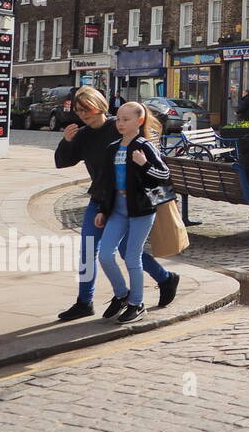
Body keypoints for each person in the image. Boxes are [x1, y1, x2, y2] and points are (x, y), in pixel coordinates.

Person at [53, 87, 180, 322]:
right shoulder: (82, 135)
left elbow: (148, 148)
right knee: (88, 250)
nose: (82, 114)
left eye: (87, 108)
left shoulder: (119, 125)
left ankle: (164, 279)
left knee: (127, 252)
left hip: (130, 202)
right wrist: (67, 141)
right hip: (101, 200)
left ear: (100, 105)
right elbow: (63, 162)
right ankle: (84, 302)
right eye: (78, 110)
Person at [92, 102, 172, 325]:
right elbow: (106, 183)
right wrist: (102, 210)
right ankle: (122, 294)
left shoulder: (144, 146)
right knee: (105, 254)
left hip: (141, 210)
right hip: (116, 210)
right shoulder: (112, 148)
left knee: (132, 257)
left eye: (126, 119)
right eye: (118, 119)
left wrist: (144, 164)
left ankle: (137, 303)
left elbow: (164, 175)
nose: (120, 123)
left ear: (139, 121)